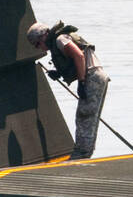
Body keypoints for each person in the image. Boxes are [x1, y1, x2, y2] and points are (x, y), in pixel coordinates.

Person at [26, 20, 110, 160]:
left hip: (92, 77)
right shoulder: (58, 42)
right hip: (94, 76)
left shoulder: (60, 39)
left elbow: (79, 56)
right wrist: (58, 73)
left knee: (85, 115)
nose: (39, 48)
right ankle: (85, 151)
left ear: (43, 36)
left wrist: (82, 82)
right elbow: (73, 61)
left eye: (37, 44)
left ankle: (82, 153)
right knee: (88, 115)